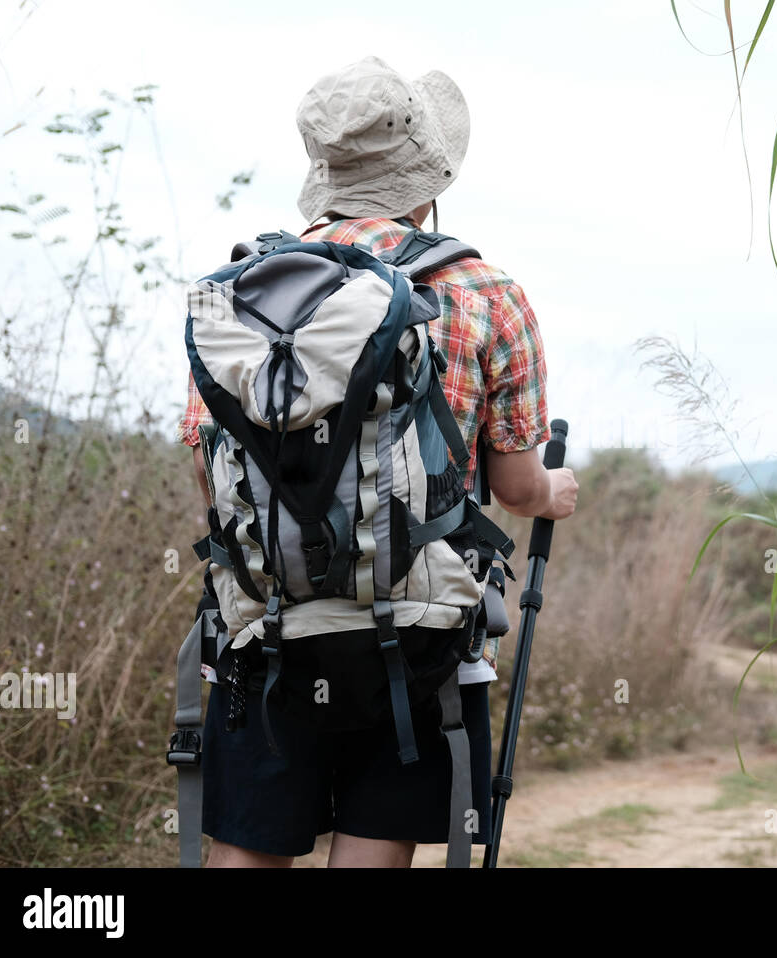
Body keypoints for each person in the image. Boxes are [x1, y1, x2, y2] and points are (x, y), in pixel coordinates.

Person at [174, 55, 578, 868]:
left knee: (246, 846)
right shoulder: (485, 290)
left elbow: (208, 469)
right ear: (428, 177)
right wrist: (553, 492)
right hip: (414, 632)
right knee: (373, 844)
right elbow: (513, 486)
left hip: (266, 623)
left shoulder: (247, 295)